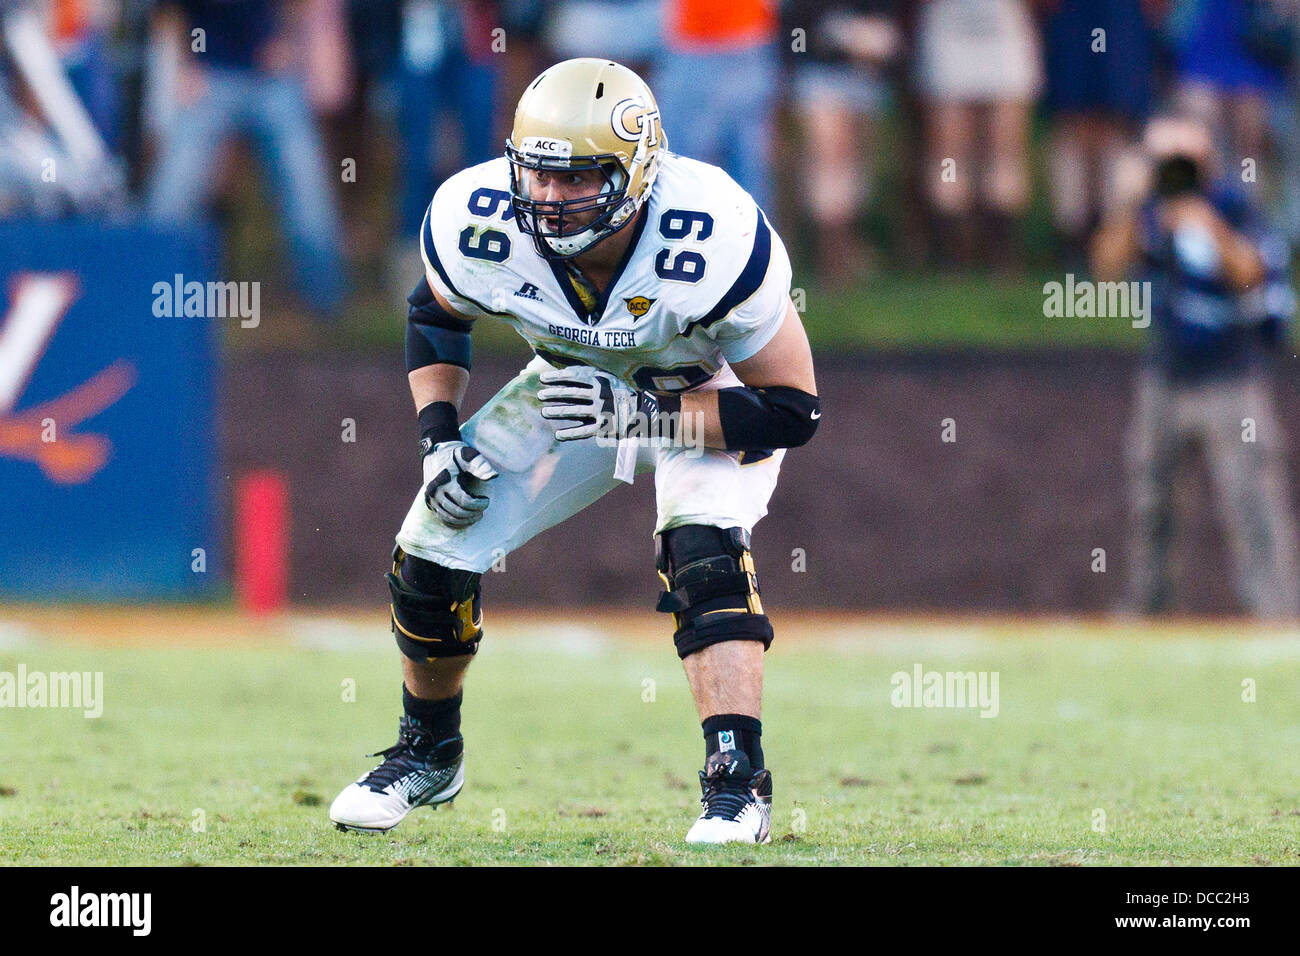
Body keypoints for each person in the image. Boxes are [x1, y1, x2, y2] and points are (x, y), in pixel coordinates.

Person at [328, 58, 820, 844]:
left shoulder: (713, 228)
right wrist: (437, 438)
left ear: (637, 170)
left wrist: (642, 413)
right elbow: (435, 311)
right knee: (430, 552)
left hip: (706, 396)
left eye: (579, 178)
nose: (551, 200)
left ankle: (737, 785)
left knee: (701, 549)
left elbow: (791, 409)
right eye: (539, 174)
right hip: (571, 385)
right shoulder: (477, 214)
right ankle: (428, 753)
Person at [1092, 115, 1300, 619]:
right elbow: (1106, 271)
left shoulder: (1234, 206)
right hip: (1166, 375)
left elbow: (1253, 274)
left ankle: (1278, 611)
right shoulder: (1146, 214)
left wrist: (1208, 226)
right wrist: (1125, 202)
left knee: (1251, 499)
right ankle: (1149, 607)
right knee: (1151, 499)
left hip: (1232, 378)